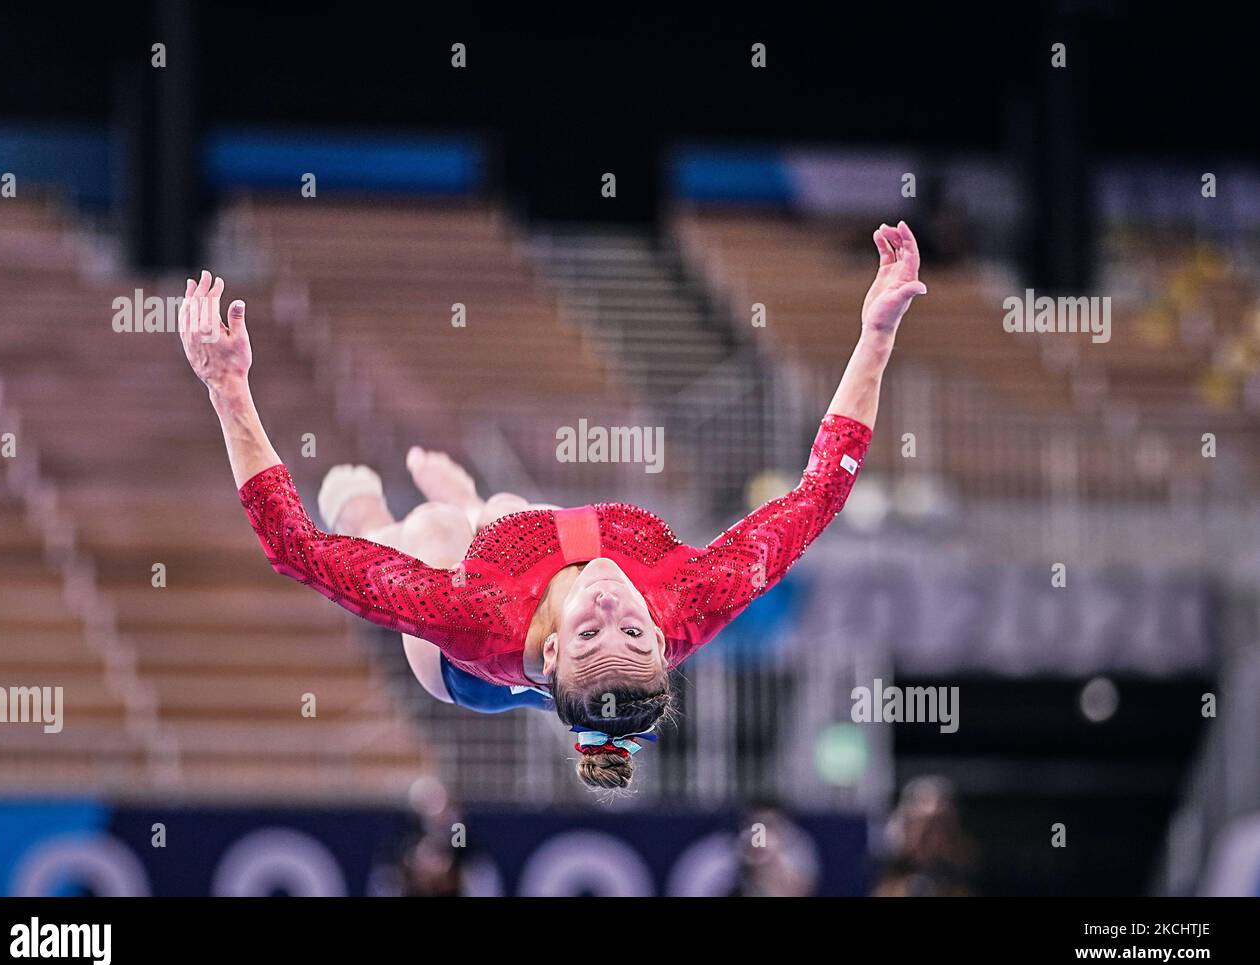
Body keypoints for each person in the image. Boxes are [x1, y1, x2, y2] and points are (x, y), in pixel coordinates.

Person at [179, 222, 927, 790]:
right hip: (530, 553)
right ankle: (475, 500)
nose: (609, 598)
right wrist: (877, 334)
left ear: (553, 652)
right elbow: (820, 491)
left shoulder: (478, 622)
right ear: (664, 641)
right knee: (502, 507)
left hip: (462, 669)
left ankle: (381, 510)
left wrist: (228, 388)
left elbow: (292, 548)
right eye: (632, 625)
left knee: (433, 530)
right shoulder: (693, 598)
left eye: (592, 626)